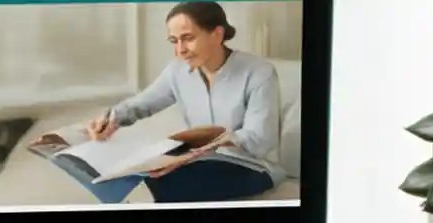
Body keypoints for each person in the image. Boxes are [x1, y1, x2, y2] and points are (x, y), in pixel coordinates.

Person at [80, 1, 284, 203]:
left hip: (252, 165)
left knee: (172, 184)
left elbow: (261, 141)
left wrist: (218, 140)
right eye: (174, 41)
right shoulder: (177, 71)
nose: (180, 51)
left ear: (217, 34)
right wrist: (109, 118)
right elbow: (141, 104)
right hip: (201, 159)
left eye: (188, 38)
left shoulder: (259, 73)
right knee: (148, 175)